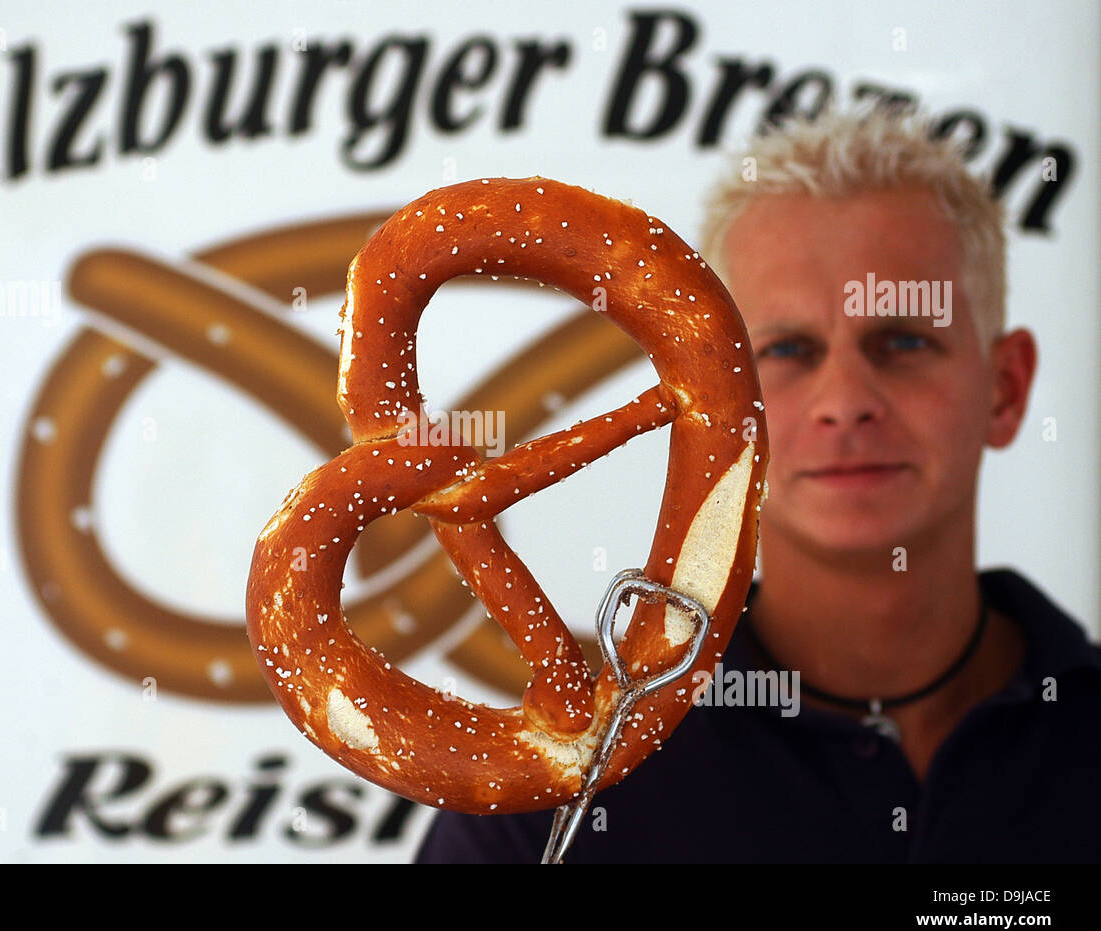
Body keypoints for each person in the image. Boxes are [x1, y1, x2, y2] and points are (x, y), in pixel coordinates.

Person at [414, 105, 1101, 863]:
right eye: (787, 350)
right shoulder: (538, 811)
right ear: (721, 399)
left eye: (904, 340)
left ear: (1005, 390)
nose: (846, 403)